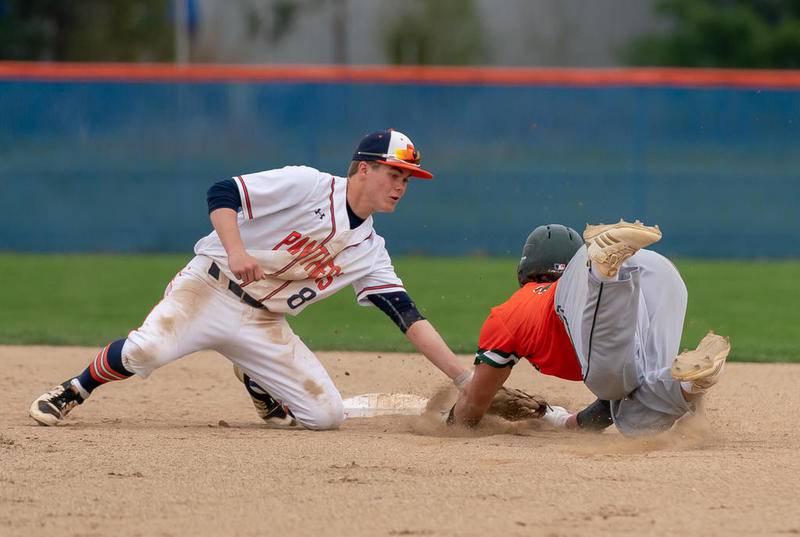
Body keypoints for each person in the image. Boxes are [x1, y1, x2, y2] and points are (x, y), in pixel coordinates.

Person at [30, 129, 473, 430]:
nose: (401, 186)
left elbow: (407, 316)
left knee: (325, 417)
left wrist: (462, 378)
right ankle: (76, 388)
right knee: (147, 349)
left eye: (407, 179)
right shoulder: (308, 185)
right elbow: (223, 192)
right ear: (363, 169)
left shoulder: (370, 252)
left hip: (263, 323)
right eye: (395, 173)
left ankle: (256, 377)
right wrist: (237, 250)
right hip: (209, 289)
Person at [446, 220, 730, 436]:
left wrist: (449, 422)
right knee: (639, 401)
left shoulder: (507, 315)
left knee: (612, 381)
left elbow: (471, 408)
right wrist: (560, 419)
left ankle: (603, 272)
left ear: (523, 270)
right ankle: (689, 386)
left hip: (584, 283)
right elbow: (609, 407)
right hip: (658, 271)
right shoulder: (546, 301)